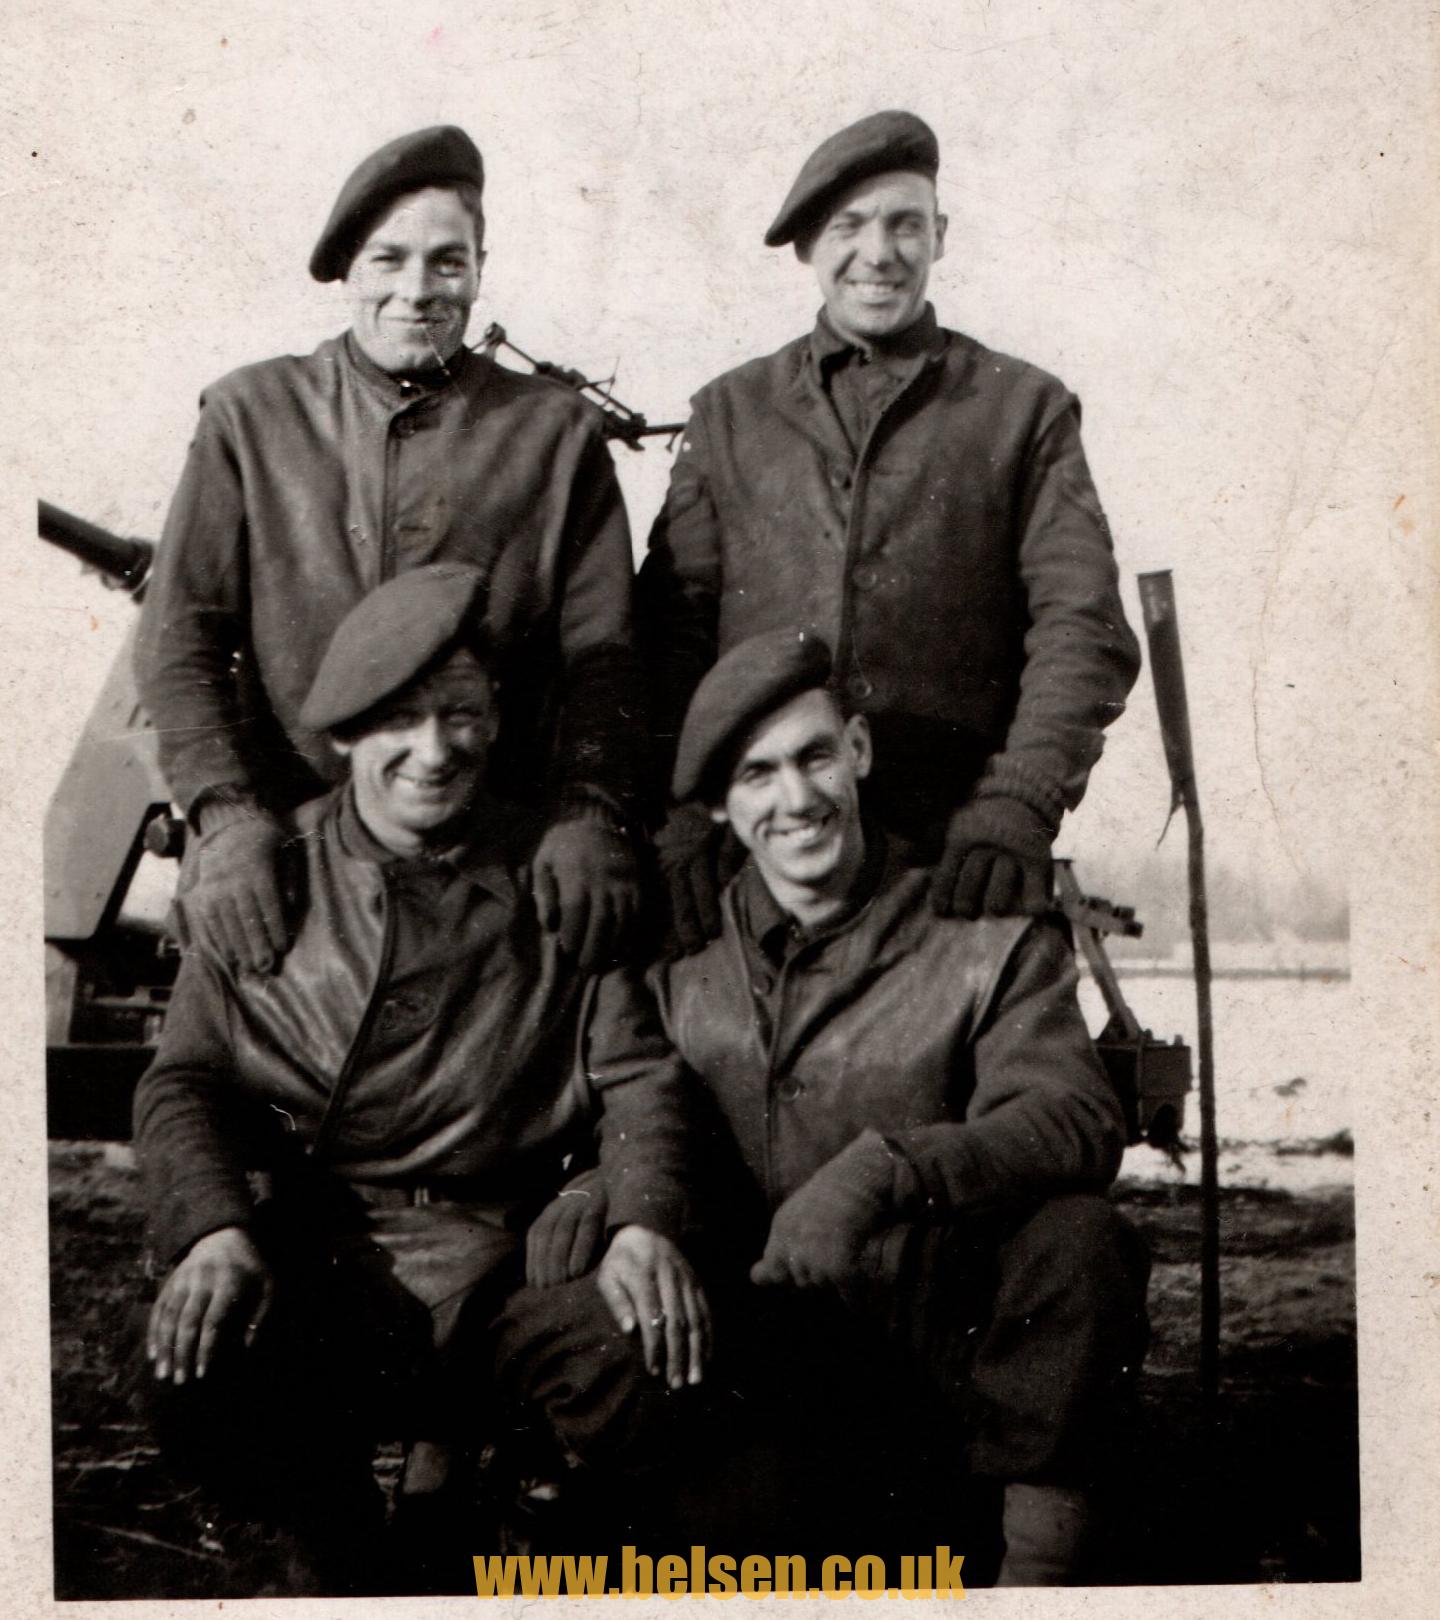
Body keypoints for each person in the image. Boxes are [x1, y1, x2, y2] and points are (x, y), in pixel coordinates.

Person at [133, 565, 708, 1596]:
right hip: (326, 1255)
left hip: (510, 1261)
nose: (435, 750)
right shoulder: (270, 874)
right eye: (400, 719)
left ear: (497, 719)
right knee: (199, 1371)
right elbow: (185, 1084)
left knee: (650, 1352)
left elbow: (640, 1079)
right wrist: (213, 1229)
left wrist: (640, 1222)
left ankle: (525, 1524)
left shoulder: (558, 875)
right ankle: (338, 1537)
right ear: (345, 734)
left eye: (462, 712)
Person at [647, 628, 1149, 1586]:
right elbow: (636, 1108)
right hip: (769, 1362)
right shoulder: (681, 964)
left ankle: (1037, 1579)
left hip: (954, 1364)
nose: (796, 800)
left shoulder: (980, 934)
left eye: (815, 757)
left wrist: (889, 1170)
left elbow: (1074, 1118)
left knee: (1081, 1242)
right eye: (756, 775)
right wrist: (610, 1191)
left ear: (861, 753)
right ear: (720, 806)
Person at [135, 125, 645, 978]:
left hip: (496, 866)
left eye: (448, 262)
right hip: (291, 863)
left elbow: (605, 654)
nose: (418, 290)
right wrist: (224, 818)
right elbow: (177, 638)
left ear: (481, 269)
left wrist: (588, 813)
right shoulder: (250, 418)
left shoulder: (555, 435)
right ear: (347, 271)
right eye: (388, 260)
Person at [639, 110, 1140, 949]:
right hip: (756, 857)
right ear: (807, 246)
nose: (879, 253)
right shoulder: (728, 415)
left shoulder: (1023, 411)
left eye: (905, 224)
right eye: (849, 227)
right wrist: (679, 808)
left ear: (940, 236)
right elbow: (669, 636)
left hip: (955, 867)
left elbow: (1080, 624)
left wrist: (1018, 799)